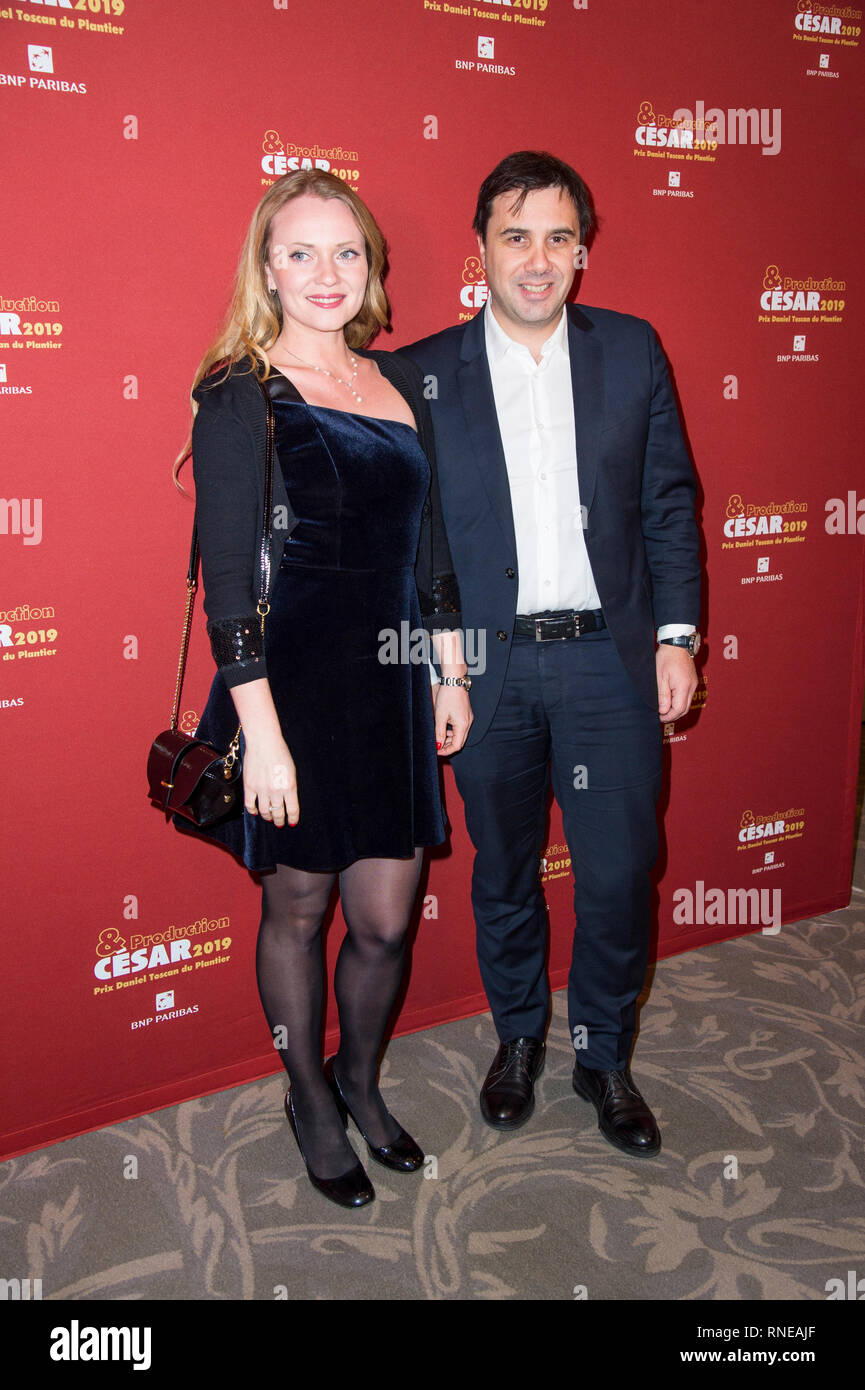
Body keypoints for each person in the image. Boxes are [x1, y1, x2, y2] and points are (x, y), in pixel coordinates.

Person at [173, 170, 472, 1208]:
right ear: (266, 268)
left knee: (387, 918)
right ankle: (308, 1093)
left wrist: (449, 667)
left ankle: (357, 1074)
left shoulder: (399, 385)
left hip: (391, 682)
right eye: (299, 252)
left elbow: (431, 548)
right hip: (288, 687)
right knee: (297, 909)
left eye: (346, 251)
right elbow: (225, 583)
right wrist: (262, 734)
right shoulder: (238, 390)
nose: (326, 273)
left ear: (373, 266)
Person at [404, 151, 701, 1157]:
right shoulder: (425, 371)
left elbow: (668, 501)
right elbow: (416, 545)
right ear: (480, 248)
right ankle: (520, 1038)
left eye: (559, 237)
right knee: (506, 869)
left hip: (606, 664)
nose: (538, 259)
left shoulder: (630, 350)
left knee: (618, 875)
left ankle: (604, 1053)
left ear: (583, 249)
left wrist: (675, 636)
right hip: (485, 670)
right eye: (516, 236)